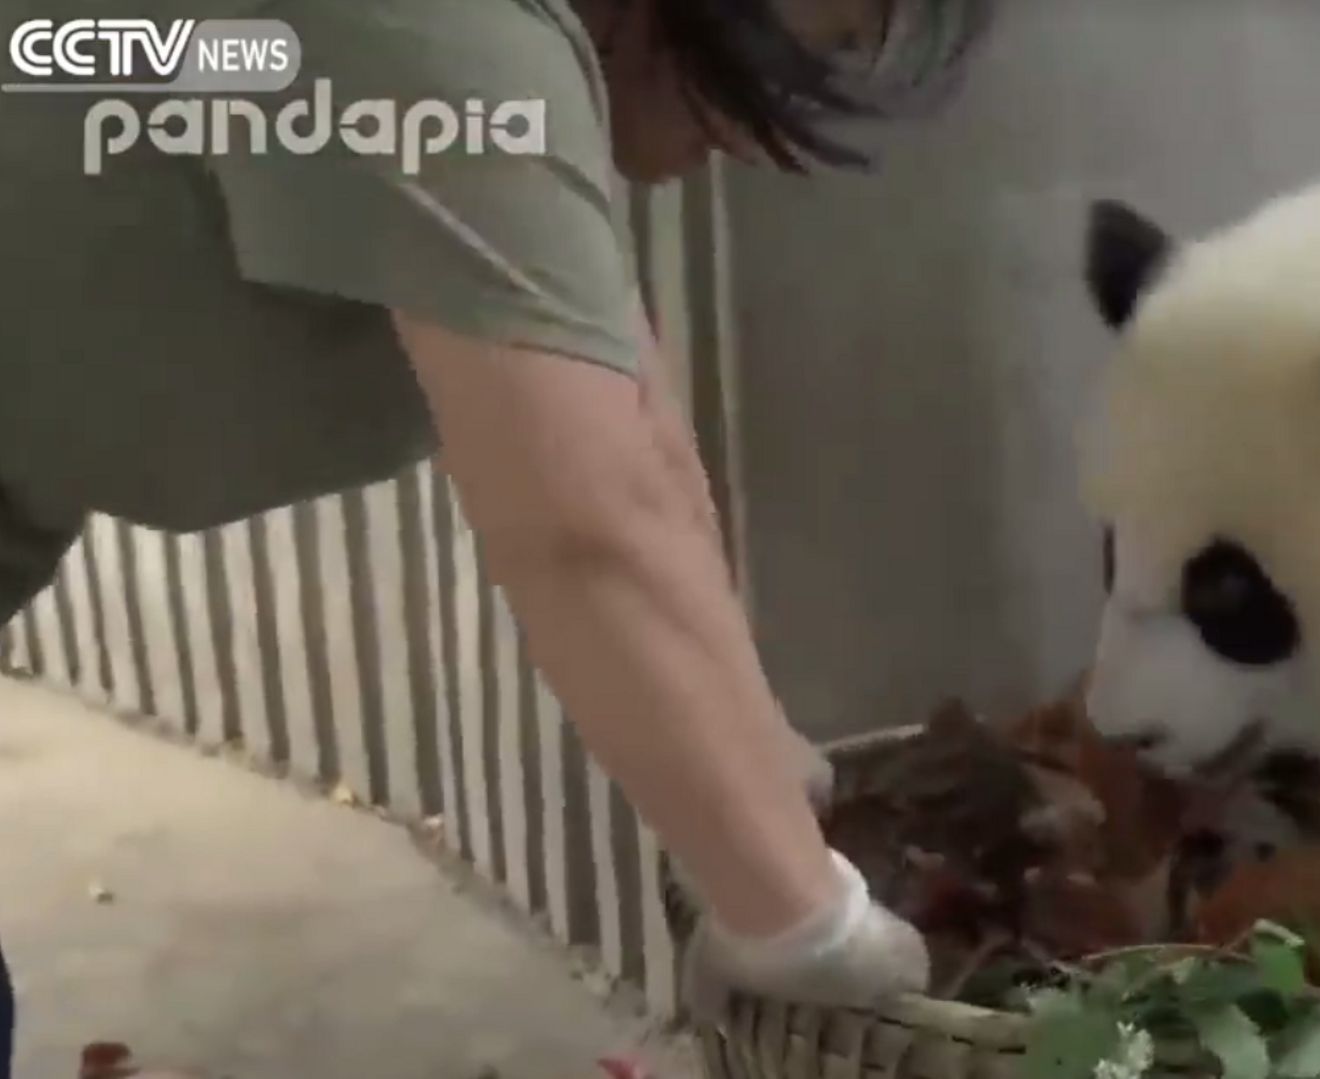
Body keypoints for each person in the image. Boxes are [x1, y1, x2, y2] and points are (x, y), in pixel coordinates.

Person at [0, 0, 991, 1072]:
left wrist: (763, 773)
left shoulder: (536, 75)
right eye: (836, 40)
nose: (777, 122)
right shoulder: (442, 25)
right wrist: (812, 928)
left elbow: (640, 451)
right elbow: (585, 525)